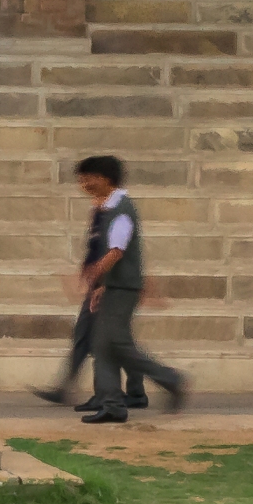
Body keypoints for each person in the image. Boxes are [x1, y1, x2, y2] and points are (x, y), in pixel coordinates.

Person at [68, 154, 186, 423]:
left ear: (105, 179)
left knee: (117, 344)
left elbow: (117, 250)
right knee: (103, 344)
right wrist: (99, 286)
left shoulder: (121, 209)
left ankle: (170, 380)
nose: (84, 183)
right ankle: (111, 403)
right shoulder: (110, 208)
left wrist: (95, 272)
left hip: (123, 287)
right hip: (114, 285)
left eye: (89, 178)